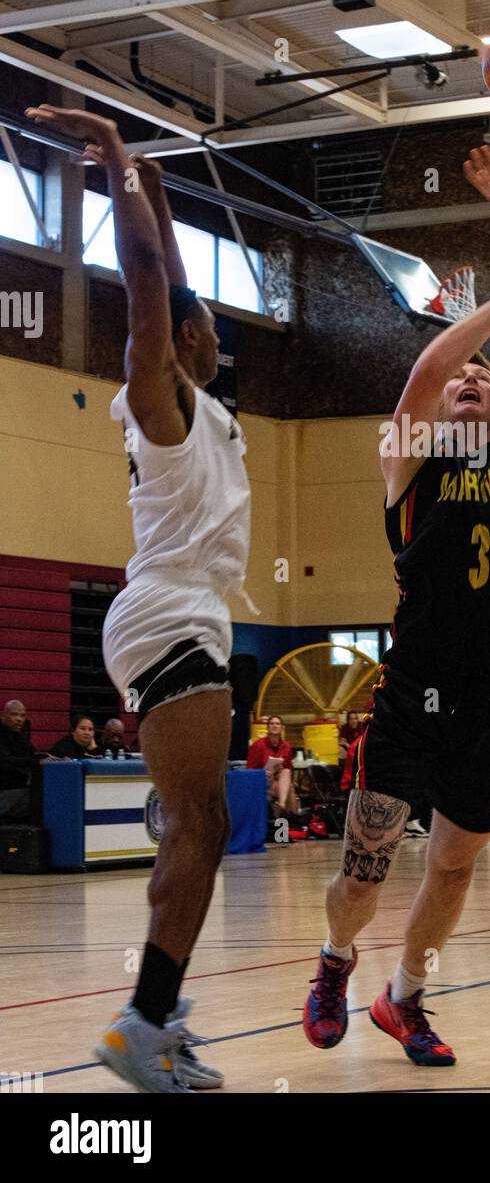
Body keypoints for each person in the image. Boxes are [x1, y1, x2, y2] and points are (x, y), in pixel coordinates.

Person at [304, 145, 490, 1066]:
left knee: (453, 868)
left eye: (485, 377)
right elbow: (425, 370)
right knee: (364, 868)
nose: (472, 378)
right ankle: (336, 962)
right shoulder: (411, 459)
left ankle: (404, 997)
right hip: (411, 696)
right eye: (465, 375)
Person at [27, 105, 250, 1094]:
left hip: (187, 614)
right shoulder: (159, 404)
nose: (209, 336)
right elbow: (150, 280)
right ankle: (142, 1025)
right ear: (190, 341)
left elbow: (174, 280)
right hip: (169, 612)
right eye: (205, 330)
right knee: (199, 823)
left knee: (201, 823)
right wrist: (116, 163)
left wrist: (155, 187)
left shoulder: (203, 408)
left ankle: (156, 1013)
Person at [247, 716, 298, 817]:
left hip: (279, 779)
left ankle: (281, 807)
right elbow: (249, 769)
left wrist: (280, 769)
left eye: (278, 724)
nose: (275, 726)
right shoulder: (258, 745)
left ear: (282, 727)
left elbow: (289, 768)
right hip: (264, 780)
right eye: (272, 723)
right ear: (267, 727)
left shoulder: (287, 746)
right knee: (289, 789)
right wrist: (262, 772)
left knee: (286, 772)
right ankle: (291, 816)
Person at [0, 699, 43, 820]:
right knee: (41, 796)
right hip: (4, 792)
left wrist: (52, 759)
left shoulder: (21, 737)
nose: (19, 719)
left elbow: (33, 755)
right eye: (14, 714)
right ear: (3, 715)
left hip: (15, 791)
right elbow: (5, 761)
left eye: (22, 716)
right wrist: (36, 762)